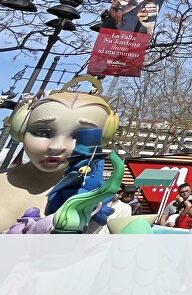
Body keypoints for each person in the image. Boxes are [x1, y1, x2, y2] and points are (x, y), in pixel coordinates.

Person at [0, 86, 119, 230]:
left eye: (79, 136)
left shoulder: (94, 200)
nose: (57, 146)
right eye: (43, 133)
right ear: (21, 129)